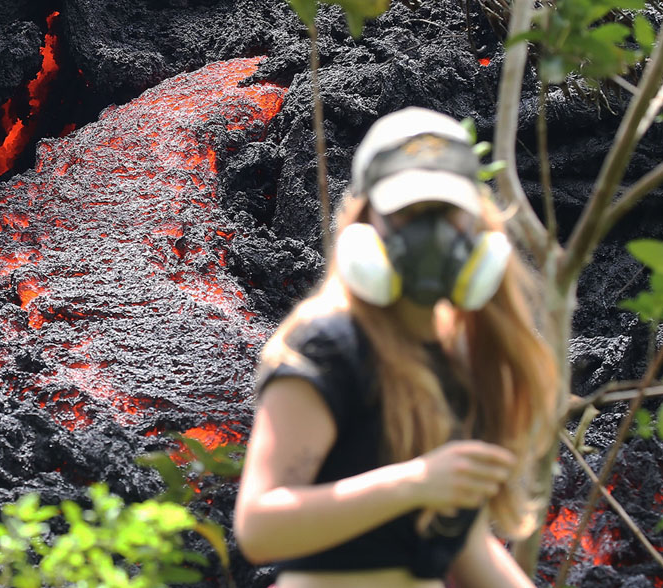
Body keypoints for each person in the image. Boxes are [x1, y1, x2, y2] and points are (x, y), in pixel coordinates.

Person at [233, 107, 557, 588]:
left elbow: (461, 548)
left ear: (477, 227)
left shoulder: (458, 359)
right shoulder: (326, 348)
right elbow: (260, 528)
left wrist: (429, 487)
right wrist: (416, 482)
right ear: (364, 225)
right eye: (407, 214)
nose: (431, 237)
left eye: (447, 214)